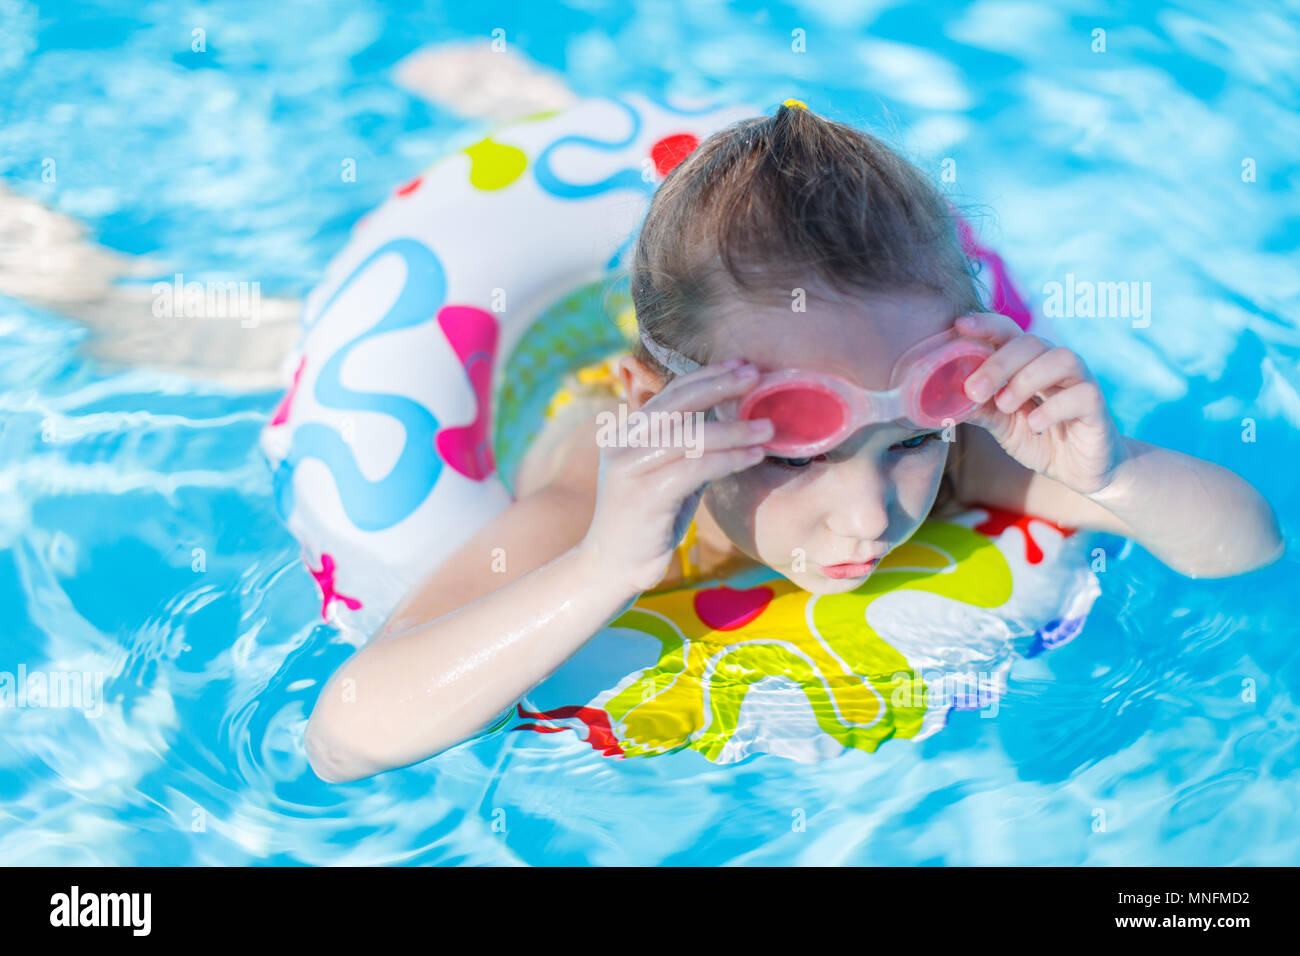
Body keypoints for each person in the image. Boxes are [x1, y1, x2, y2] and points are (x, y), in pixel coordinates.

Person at [304, 101, 1283, 783]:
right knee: (261, 339)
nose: (868, 510)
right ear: (662, 411)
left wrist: (1115, 472)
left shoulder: (960, 437)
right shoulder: (582, 491)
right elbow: (343, 736)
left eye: (906, 441)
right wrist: (604, 563)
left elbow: (1247, 544)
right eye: (792, 450)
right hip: (537, 358)